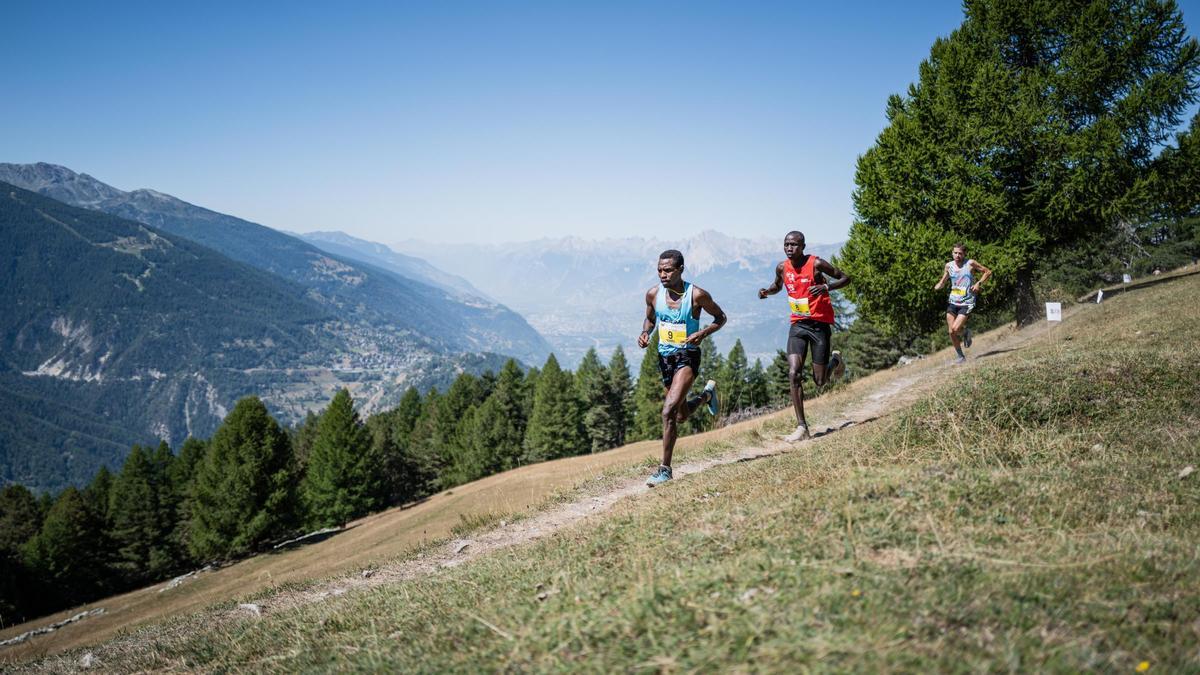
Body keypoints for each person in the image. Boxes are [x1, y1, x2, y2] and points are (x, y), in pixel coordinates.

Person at [638, 249, 727, 486]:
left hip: (687, 356)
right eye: (659, 270)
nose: (662, 275)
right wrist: (645, 333)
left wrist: (703, 333)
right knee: (681, 415)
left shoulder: (697, 295)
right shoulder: (653, 294)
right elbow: (650, 319)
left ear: (680, 270)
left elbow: (721, 318)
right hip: (665, 358)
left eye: (668, 270)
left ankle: (664, 470)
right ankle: (707, 396)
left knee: (668, 412)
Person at [758, 231, 850, 442]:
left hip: (819, 326)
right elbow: (778, 285)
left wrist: (826, 286)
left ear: (803, 247)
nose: (789, 248)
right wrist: (767, 292)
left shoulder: (816, 264)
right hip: (798, 325)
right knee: (793, 373)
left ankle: (835, 361)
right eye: (786, 244)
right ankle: (802, 427)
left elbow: (846, 278)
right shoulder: (782, 267)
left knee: (820, 381)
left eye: (794, 245)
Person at [934, 243, 991, 364]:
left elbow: (987, 272)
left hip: (967, 302)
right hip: (953, 301)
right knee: (951, 331)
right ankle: (961, 356)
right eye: (955, 253)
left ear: (964, 254)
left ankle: (965, 332)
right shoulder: (949, 266)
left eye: (960, 253)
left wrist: (978, 283)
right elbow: (944, 280)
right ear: (952, 253)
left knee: (955, 328)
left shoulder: (970, 263)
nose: (957, 255)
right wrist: (939, 285)